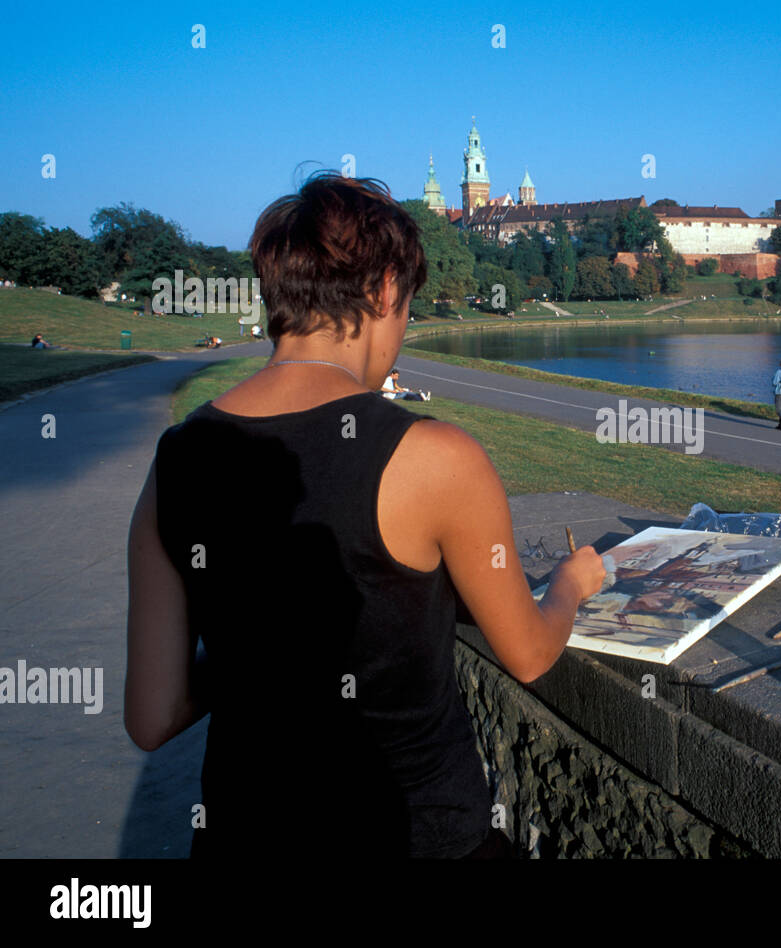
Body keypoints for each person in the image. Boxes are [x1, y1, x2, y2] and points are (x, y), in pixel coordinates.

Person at [125, 172, 606, 860]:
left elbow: (151, 716)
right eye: (406, 305)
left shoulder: (176, 459)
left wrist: (260, 644)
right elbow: (528, 654)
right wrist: (569, 586)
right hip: (414, 836)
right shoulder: (433, 455)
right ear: (384, 290)